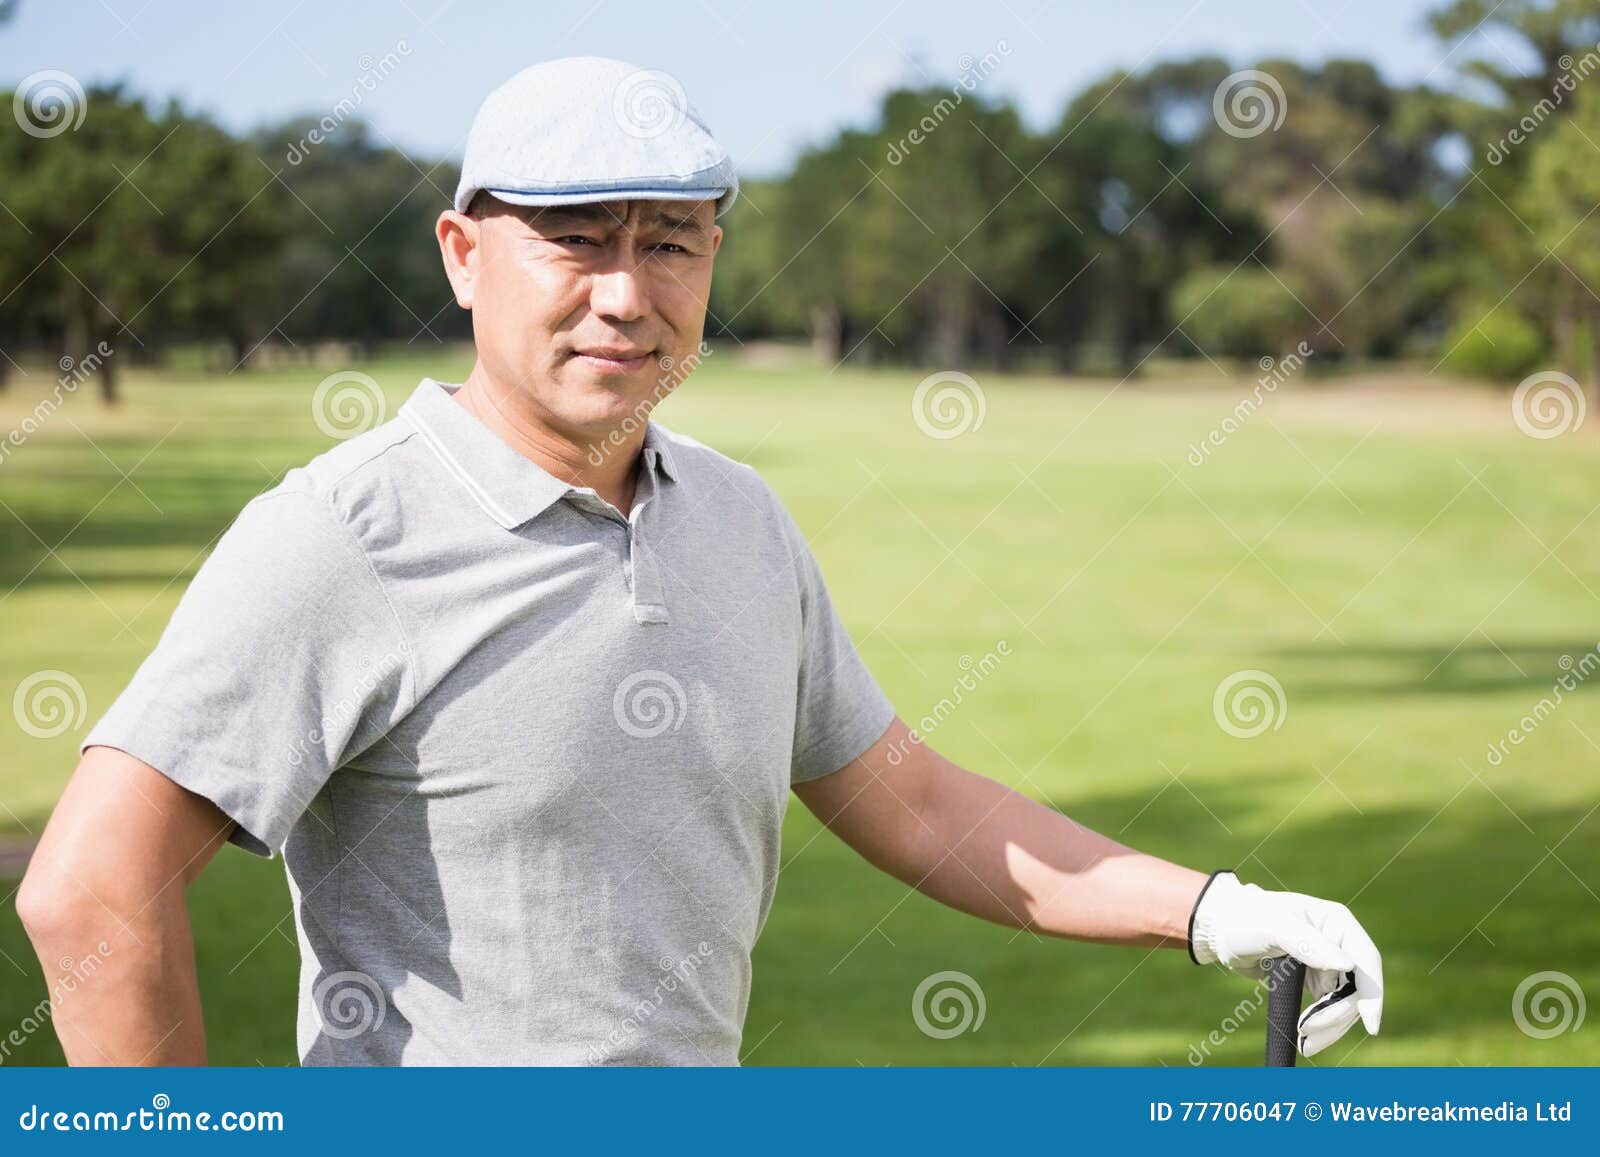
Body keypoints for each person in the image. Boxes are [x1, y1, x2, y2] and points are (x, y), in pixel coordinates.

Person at [18, 56, 1382, 1066]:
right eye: (573, 238)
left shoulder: (738, 519)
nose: (626, 290)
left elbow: (906, 799)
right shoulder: (342, 534)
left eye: (668, 241)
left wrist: (1210, 910)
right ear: (462, 254)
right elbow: (90, 888)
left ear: (714, 259)